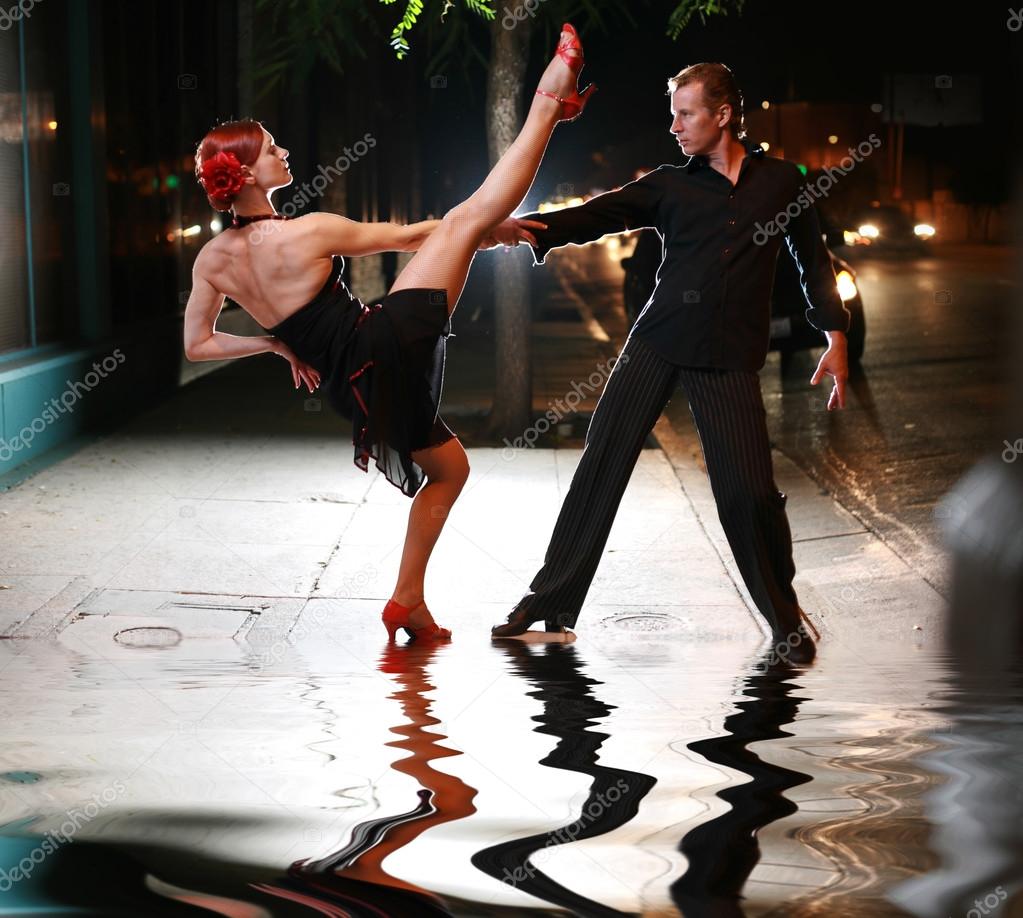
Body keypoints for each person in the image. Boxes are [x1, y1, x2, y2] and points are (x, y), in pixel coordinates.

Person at [184, 25, 595, 643]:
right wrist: (484, 231)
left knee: (450, 467)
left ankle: (407, 601)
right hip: (380, 346)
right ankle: (549, 104)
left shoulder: (212, 259)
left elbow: (198, 345)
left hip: (353, 388)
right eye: (272, 150)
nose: (285, 153)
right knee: (467, 214)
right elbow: (410, 236)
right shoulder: (308, 231)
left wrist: (272, 342)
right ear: (244, 173)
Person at [491, 62, 850, 665]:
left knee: (749, 494)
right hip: (657, 342)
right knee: (602, 464)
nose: (676, 126)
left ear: (724, 114)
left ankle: (783, 616)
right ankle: (548, 602)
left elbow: (812, 260)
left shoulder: (783, 182)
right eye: (674, 114)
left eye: (686, 114)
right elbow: (598, 213)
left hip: (728, 358)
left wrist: (833, 334)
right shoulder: (669, 184)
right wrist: (525, 229)